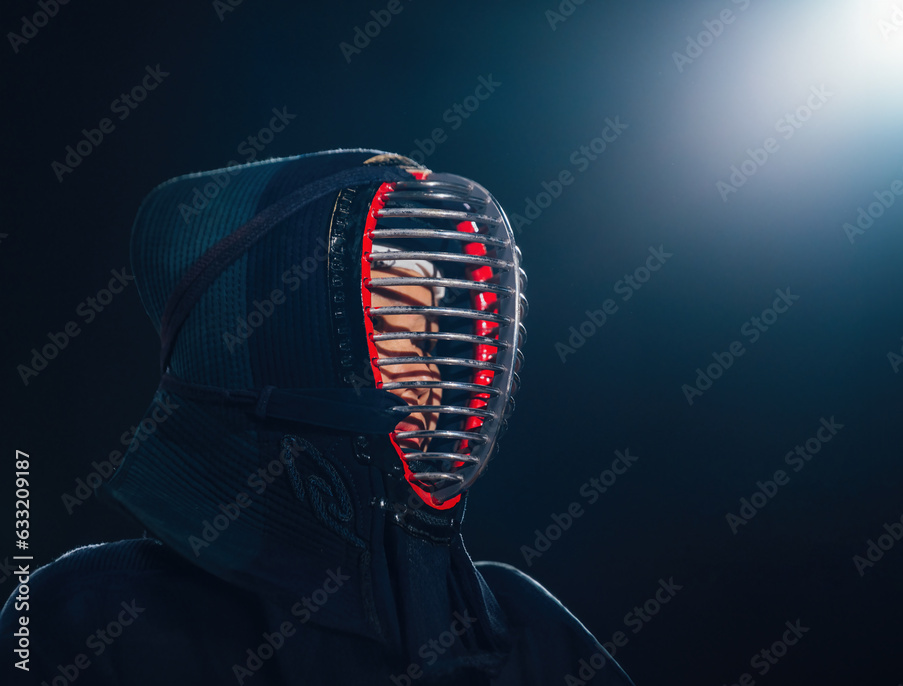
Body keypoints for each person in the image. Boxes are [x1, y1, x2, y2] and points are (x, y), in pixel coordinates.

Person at [1, 149, 635, 685]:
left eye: (424, 339)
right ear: (273, 336)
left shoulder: (526, 628)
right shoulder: (93, 613)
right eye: (386, 329)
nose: (424, 374)